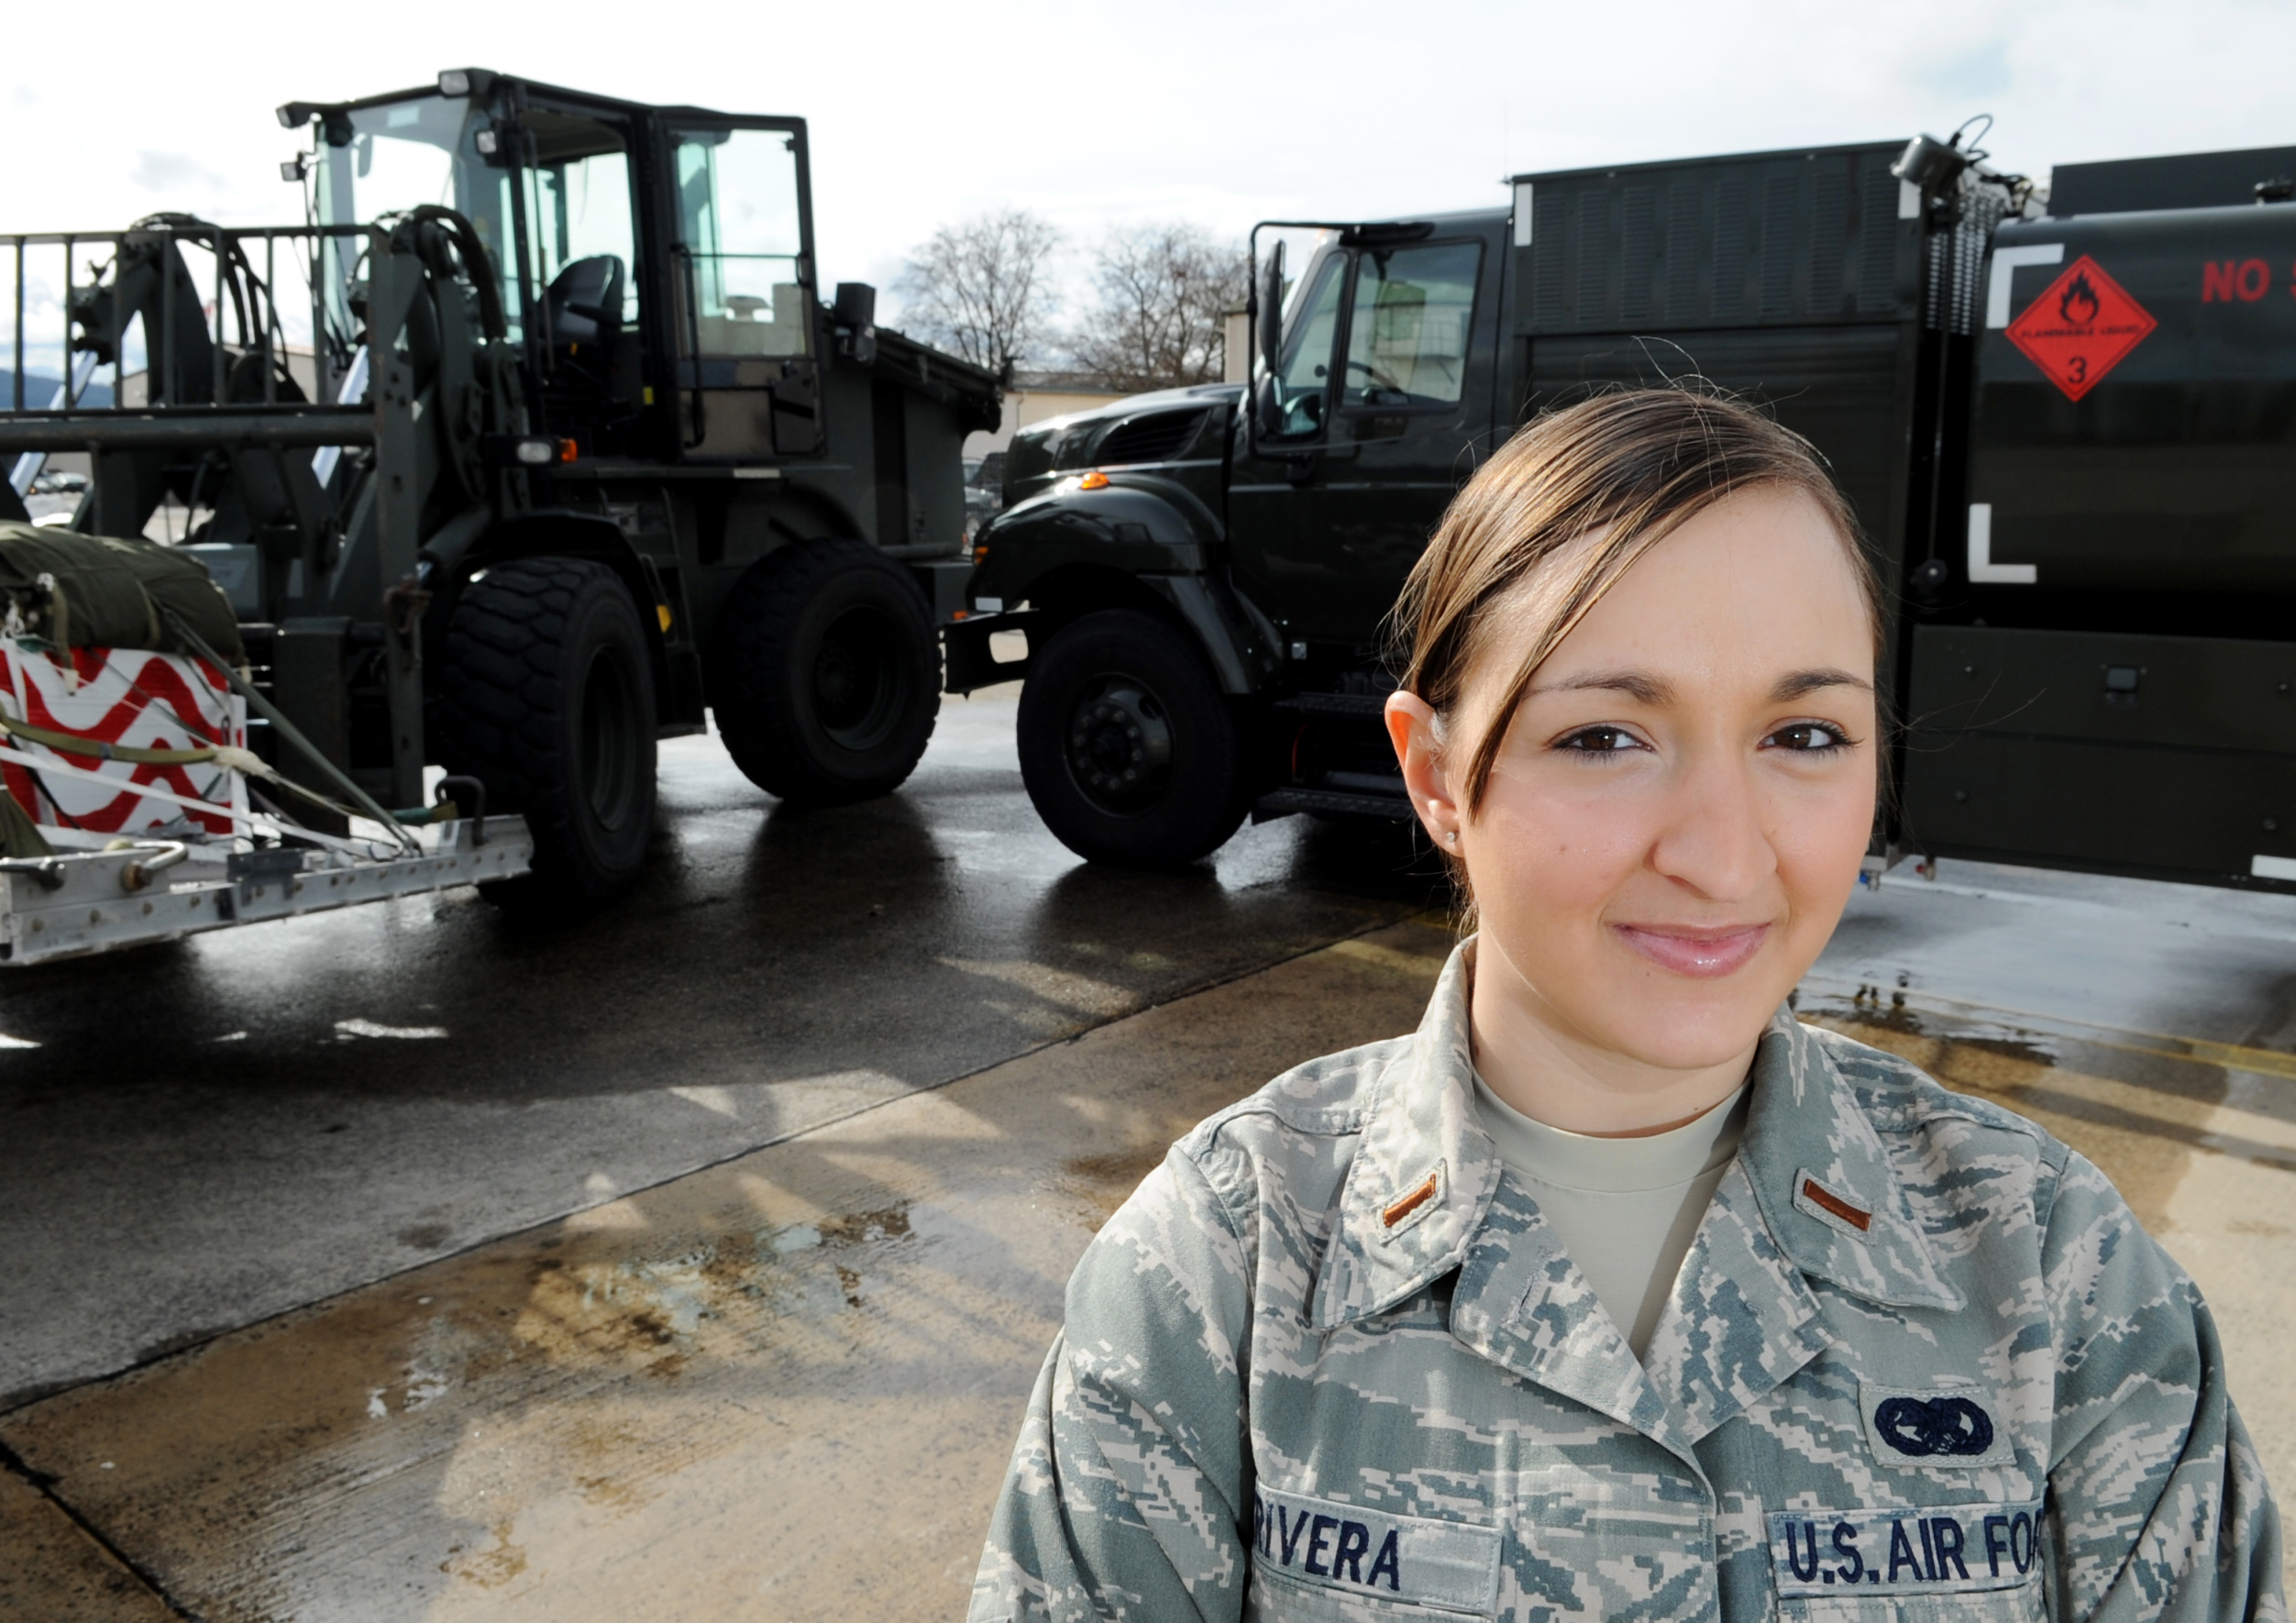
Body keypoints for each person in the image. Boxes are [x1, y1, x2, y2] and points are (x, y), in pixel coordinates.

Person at [967, 390, 2285, 1623]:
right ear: (1434, 774)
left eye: (1805, 736)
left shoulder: (2055, 1269)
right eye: (1604, 736)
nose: (1723, 857)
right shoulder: (1224, 1272)